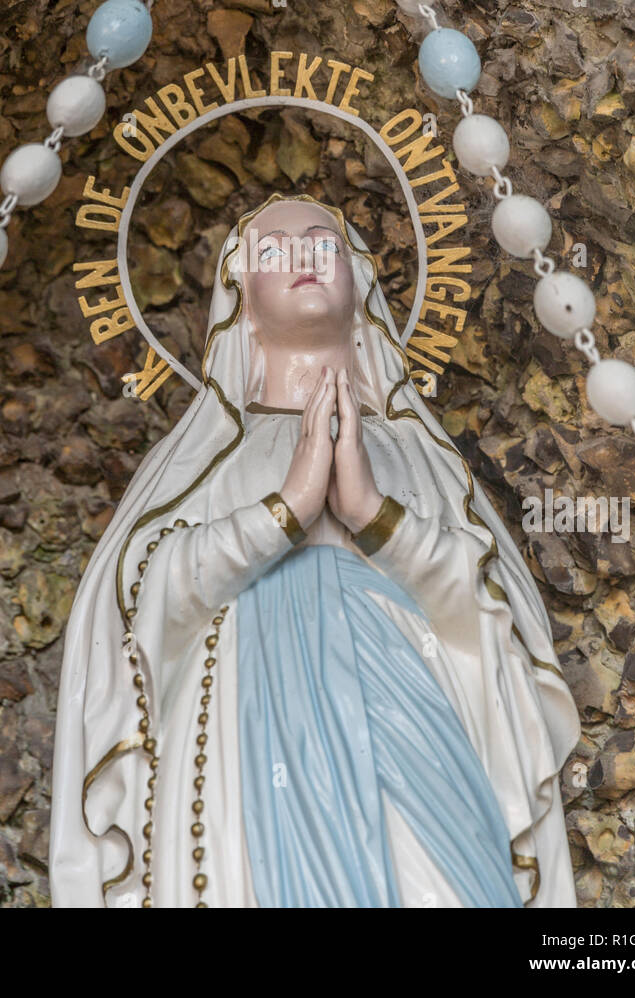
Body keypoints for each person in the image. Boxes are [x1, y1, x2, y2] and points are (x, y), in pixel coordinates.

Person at [49, 193, 580, 907]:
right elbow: (140, 603)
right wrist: (283, 513)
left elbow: (489, 612)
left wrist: (374, 515)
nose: (302, 258)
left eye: (321, 244)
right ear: (240, 294)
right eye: (274, 250)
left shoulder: (414, 453)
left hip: (411, 714)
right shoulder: (205, 457)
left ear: (359, 283)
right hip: (244, 727)